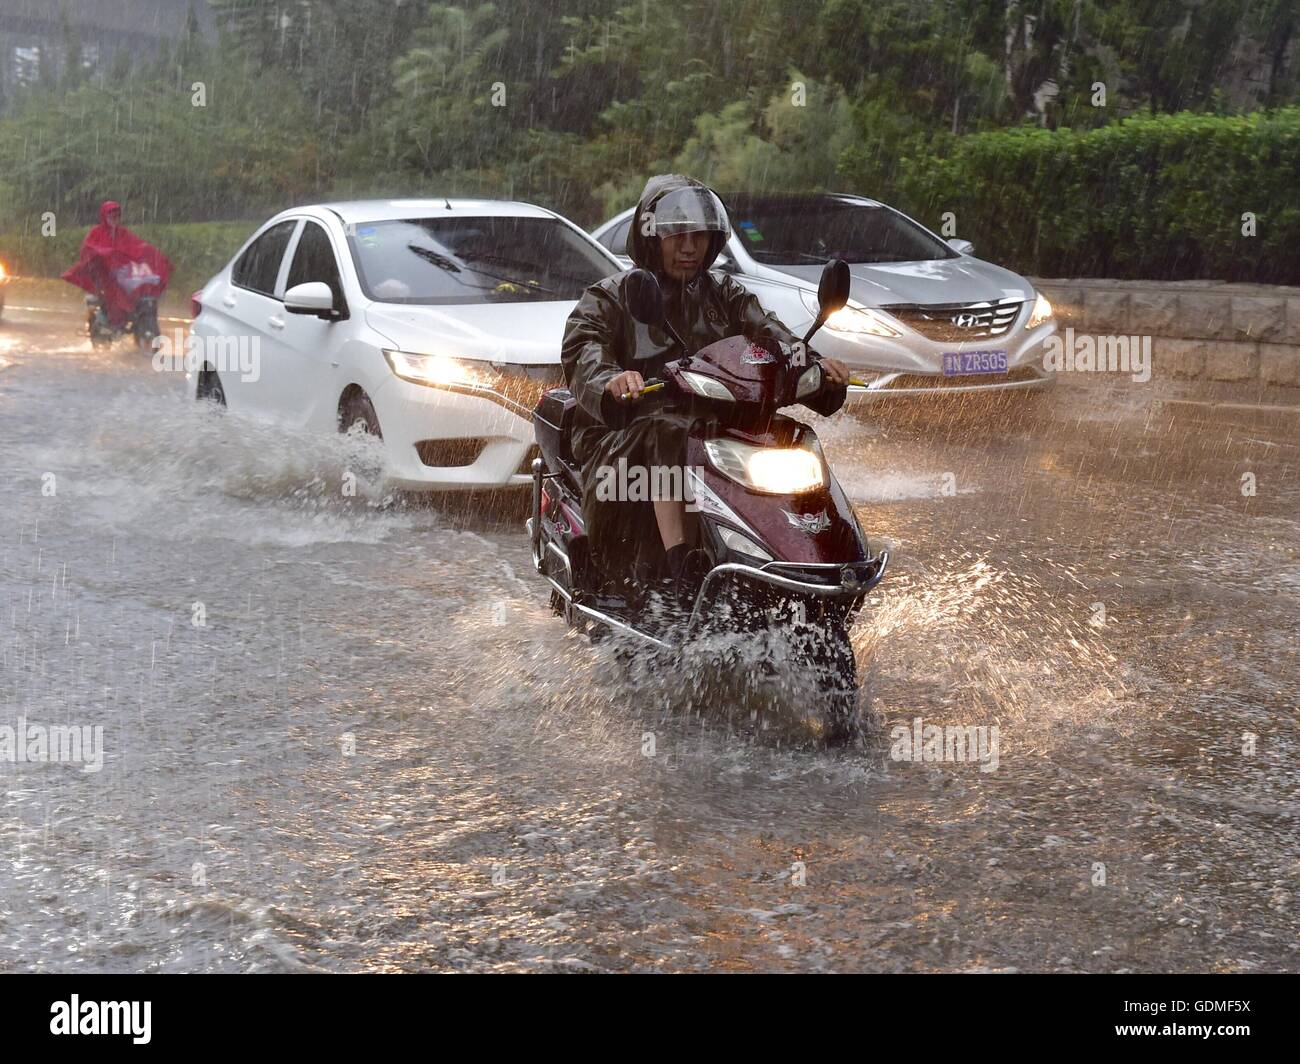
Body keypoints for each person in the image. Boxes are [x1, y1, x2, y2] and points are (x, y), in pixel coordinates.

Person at [561, 174, 851, 600]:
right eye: (676, 235)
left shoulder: (725, 294)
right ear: (651, 238)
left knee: (791, 435)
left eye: (699, 236)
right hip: (621, 434)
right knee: (666, 429)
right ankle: (682, 568)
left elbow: (771, 335)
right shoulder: (612, 297)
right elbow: (583, 351)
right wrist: (612, 381)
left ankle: (820, 549)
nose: (688, 247)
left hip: (714, 426)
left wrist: (814, 365)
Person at [62, 200, 172, 328]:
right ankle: (114, 319)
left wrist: (153, 255)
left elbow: (137, 247)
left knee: (144, 284)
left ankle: (137, 316)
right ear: (104, 216)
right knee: (116, 288)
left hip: (122, 272)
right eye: (112, 216)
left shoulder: (123, 233)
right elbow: (88, 250)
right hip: (103, 274)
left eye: (118, 216)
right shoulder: (96, 233)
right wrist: (104, 253)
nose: (115, 219)